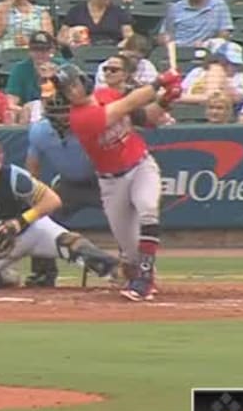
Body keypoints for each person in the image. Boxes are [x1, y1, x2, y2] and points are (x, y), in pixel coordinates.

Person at [54, 63, 184, 302]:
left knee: (148, 209)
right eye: (66, 89)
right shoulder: (79, 118)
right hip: (111, 183)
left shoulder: (107, 94)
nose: (71, 91)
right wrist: (160, 82)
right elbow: (129, 104)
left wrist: (166, 100)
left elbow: (145, 117)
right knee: (131, 251)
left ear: (83, 81)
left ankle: (144, 281)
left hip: (141, 166)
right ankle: (141, 273)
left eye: (73, 84)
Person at [0, 132, 118, 291]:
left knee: (72, 245)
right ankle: (5, 278)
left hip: (34, 229)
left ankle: (117, 272)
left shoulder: (15, 178)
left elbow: (52, 200)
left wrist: (21, 221)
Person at [26, 93, 110, 288]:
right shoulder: (39, 131)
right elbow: (33, 165)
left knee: (124, 217)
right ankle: (42, 273)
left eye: (66, 112)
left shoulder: (91, 125)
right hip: (68, 184)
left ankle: (135, 268)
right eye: (57, 114)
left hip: (102, 180)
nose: (63, 119)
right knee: (40, 218)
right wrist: (35, 195)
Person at [59, 0, 133, 50]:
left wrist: (121, 45)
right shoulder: (76, 11)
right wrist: (71, 43)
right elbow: (61, 37)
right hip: (84, 53)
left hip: (111, 51)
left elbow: (129, 36)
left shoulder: (119, 12)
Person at [5, 30, 66, 109]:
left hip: (60, 110)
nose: (39, 54)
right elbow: (11, 103)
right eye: (35, 49)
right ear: (29, 51)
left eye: (44, 50)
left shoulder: (63, 66)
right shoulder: (20, 69)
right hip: (28, 113)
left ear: (52, 50)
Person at [180, 40, 243, 105]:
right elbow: (180, 93)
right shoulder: (197, 72)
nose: (234, 67)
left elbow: (238, 98)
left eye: (236, 64)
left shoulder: (239, 76)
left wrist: (223, 80)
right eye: (229, 63)